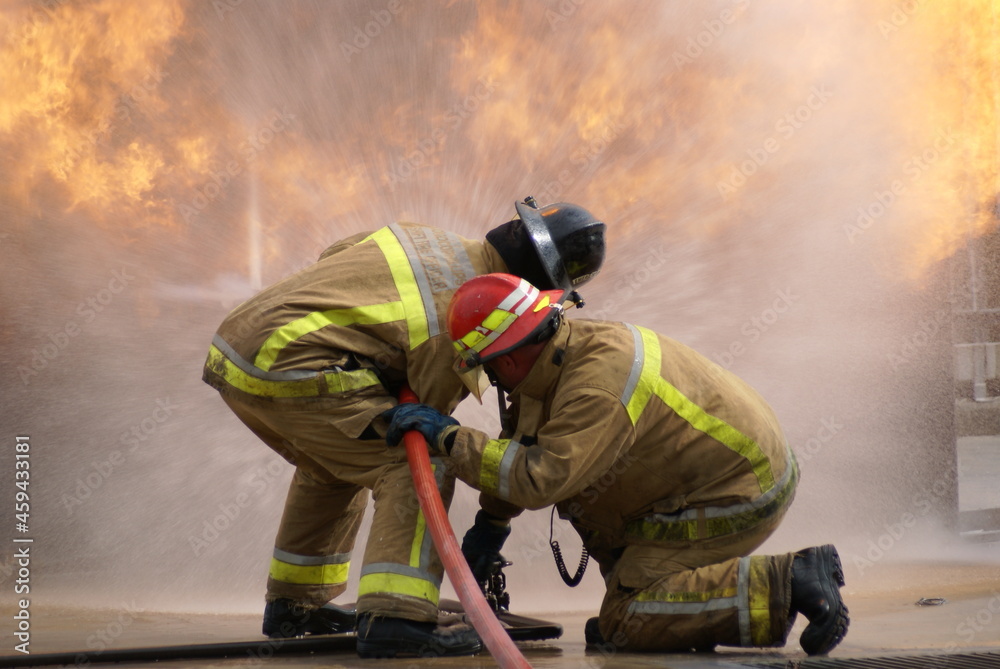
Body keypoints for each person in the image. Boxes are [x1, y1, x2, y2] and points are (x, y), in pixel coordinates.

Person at [202, 200, 606, 658]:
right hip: (291, 363)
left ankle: (295, 607)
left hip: (237, 348)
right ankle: (397, 619)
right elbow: (425, 422)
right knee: (416, 457)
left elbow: (337, 256)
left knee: (337, 462)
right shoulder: (464, 317)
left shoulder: (427, 238)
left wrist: (369, 343)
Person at [383, 272, 850, 655]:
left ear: (507, 359)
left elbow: (539, 474)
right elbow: (521, 438)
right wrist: (493, 522)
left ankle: (789, 580)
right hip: (707, 479)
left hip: (739, 493)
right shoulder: (554, 358)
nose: (490, 378)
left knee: (628, 617)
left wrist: (447, 437)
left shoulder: (594, 387)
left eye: (485, 366)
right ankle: (671, 612)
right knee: (626, 610)